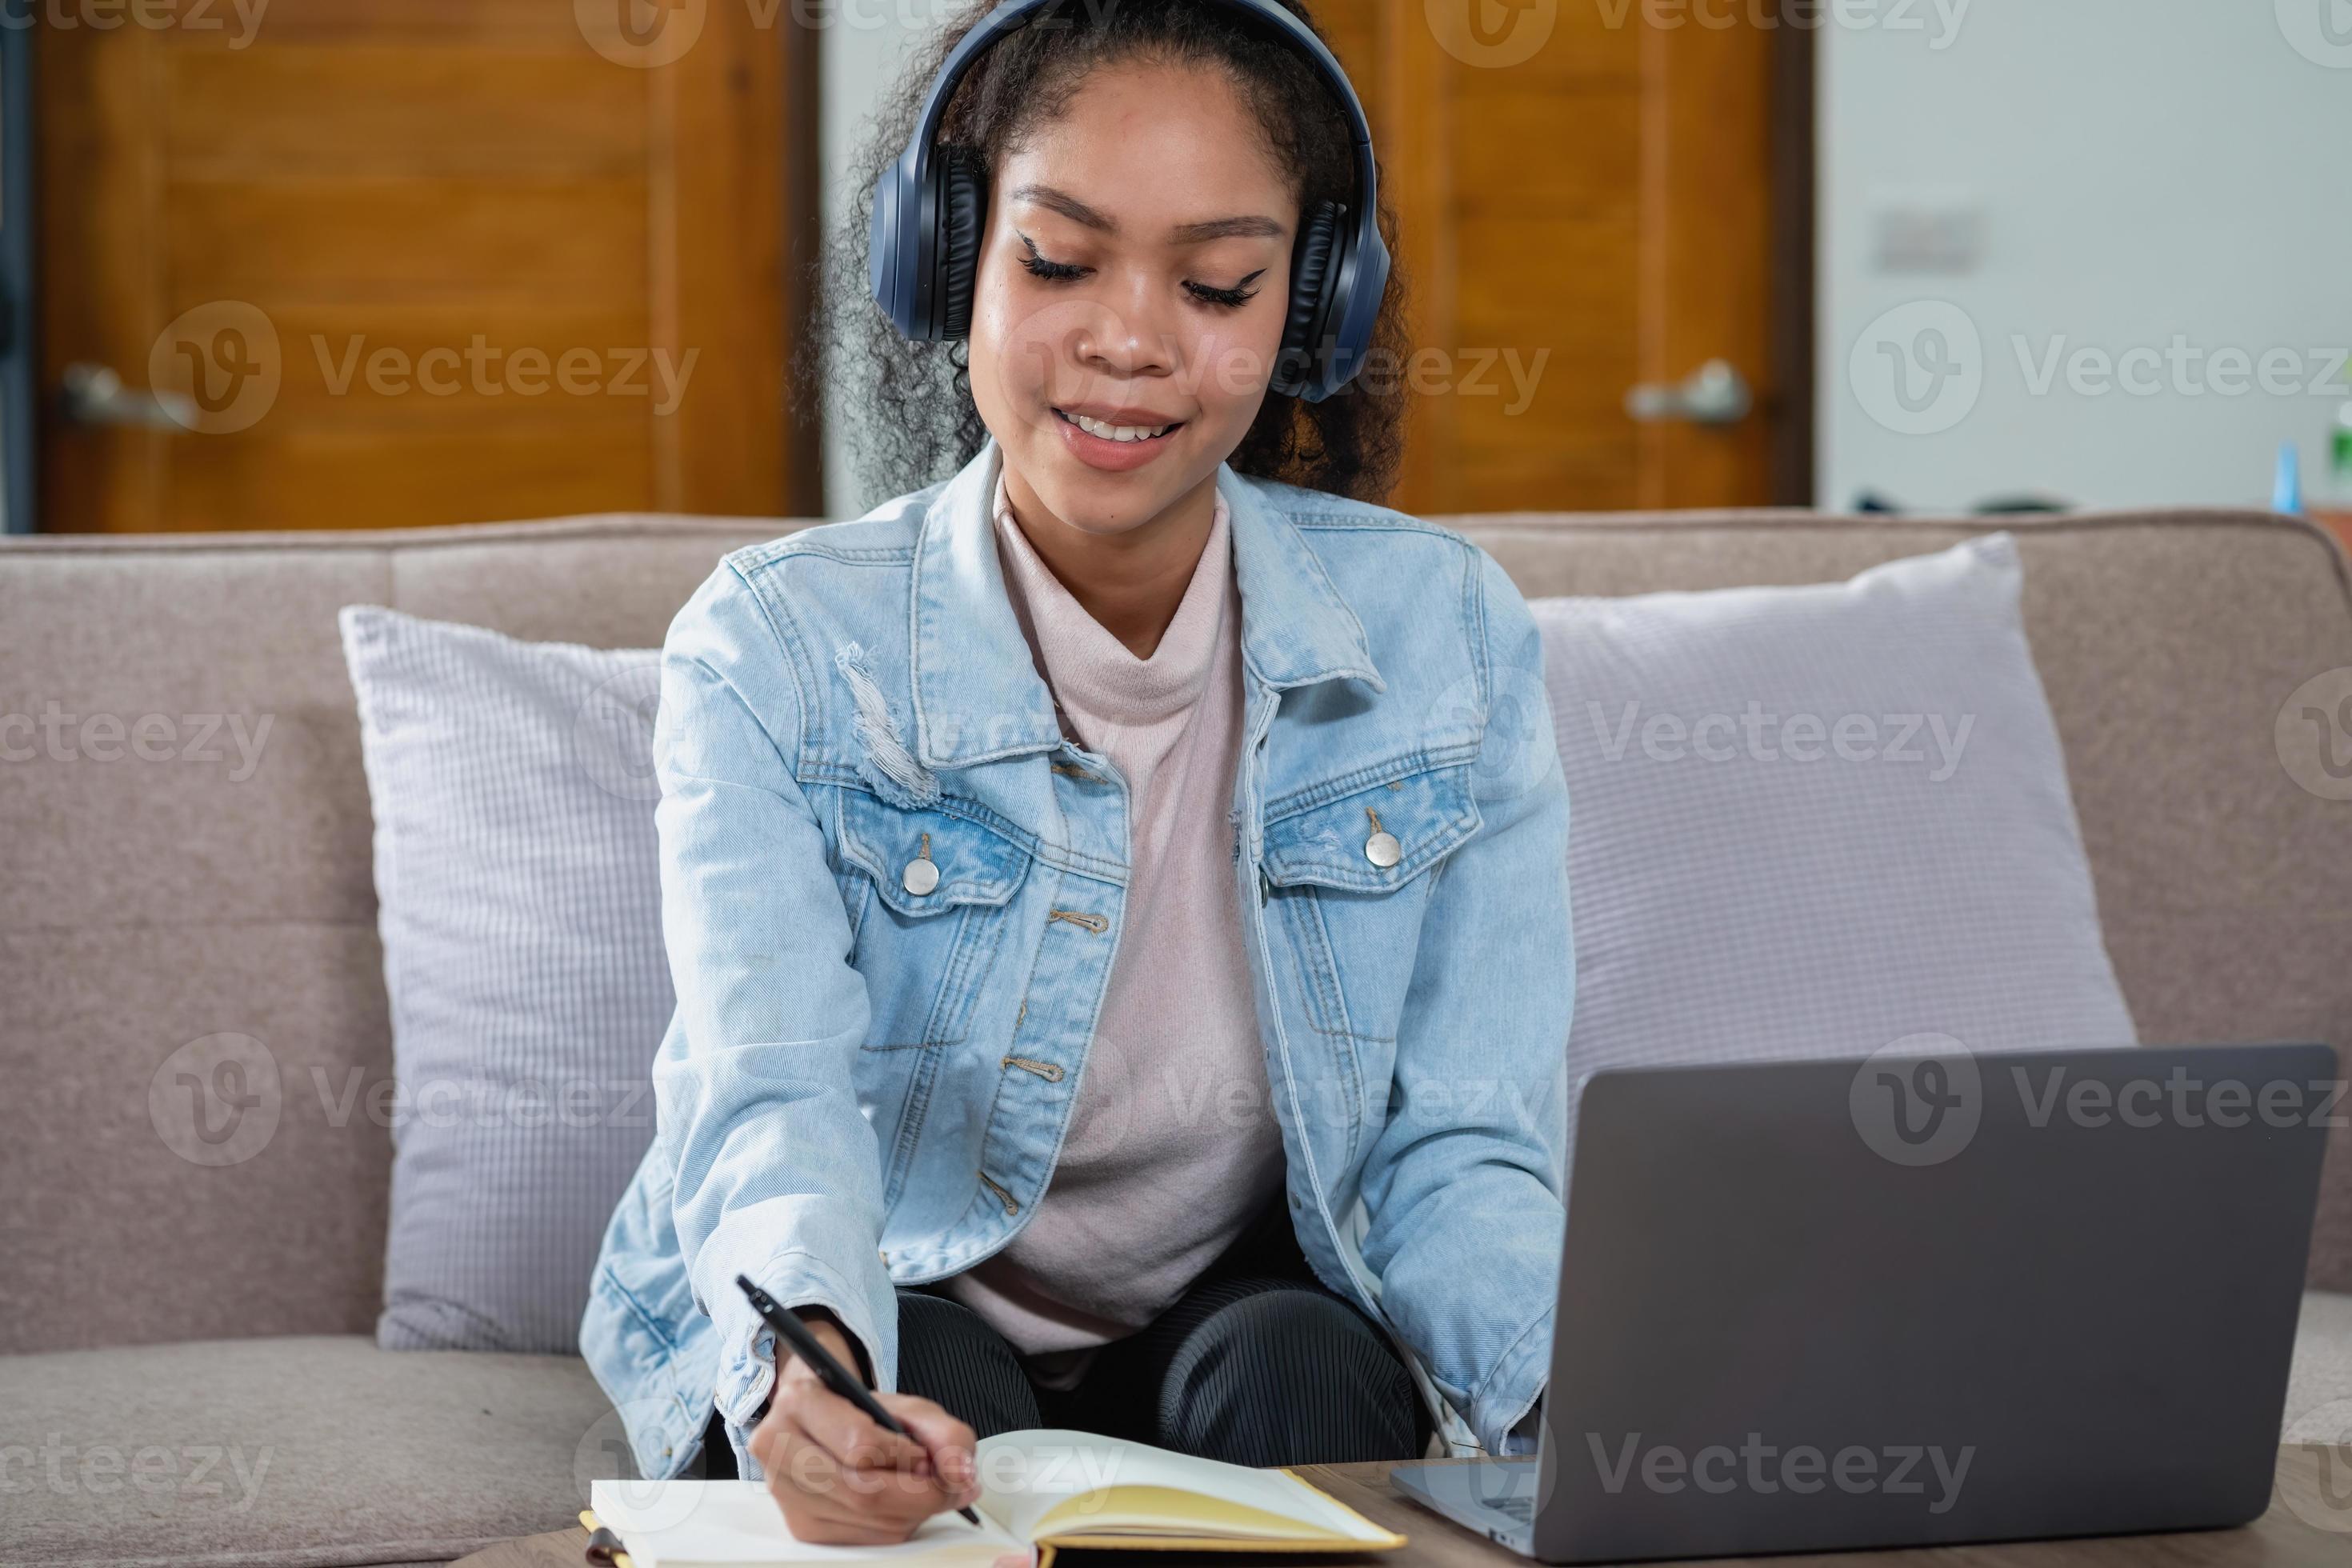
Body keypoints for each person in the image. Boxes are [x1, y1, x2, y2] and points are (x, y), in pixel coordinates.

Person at [579, 0, 1574, 1545]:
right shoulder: (774, 647)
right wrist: (819, 1374)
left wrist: (1561, 1407)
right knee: (930, 1383)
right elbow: (774, 1090)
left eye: (1220, 283)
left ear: (1312, 308)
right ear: (948, 261)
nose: (1130, 339)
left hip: (1243, 1305)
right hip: (902, 1275)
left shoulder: (1447, 637)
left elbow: (1460, 1138)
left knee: (1305, 1369)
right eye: (1057, 261)